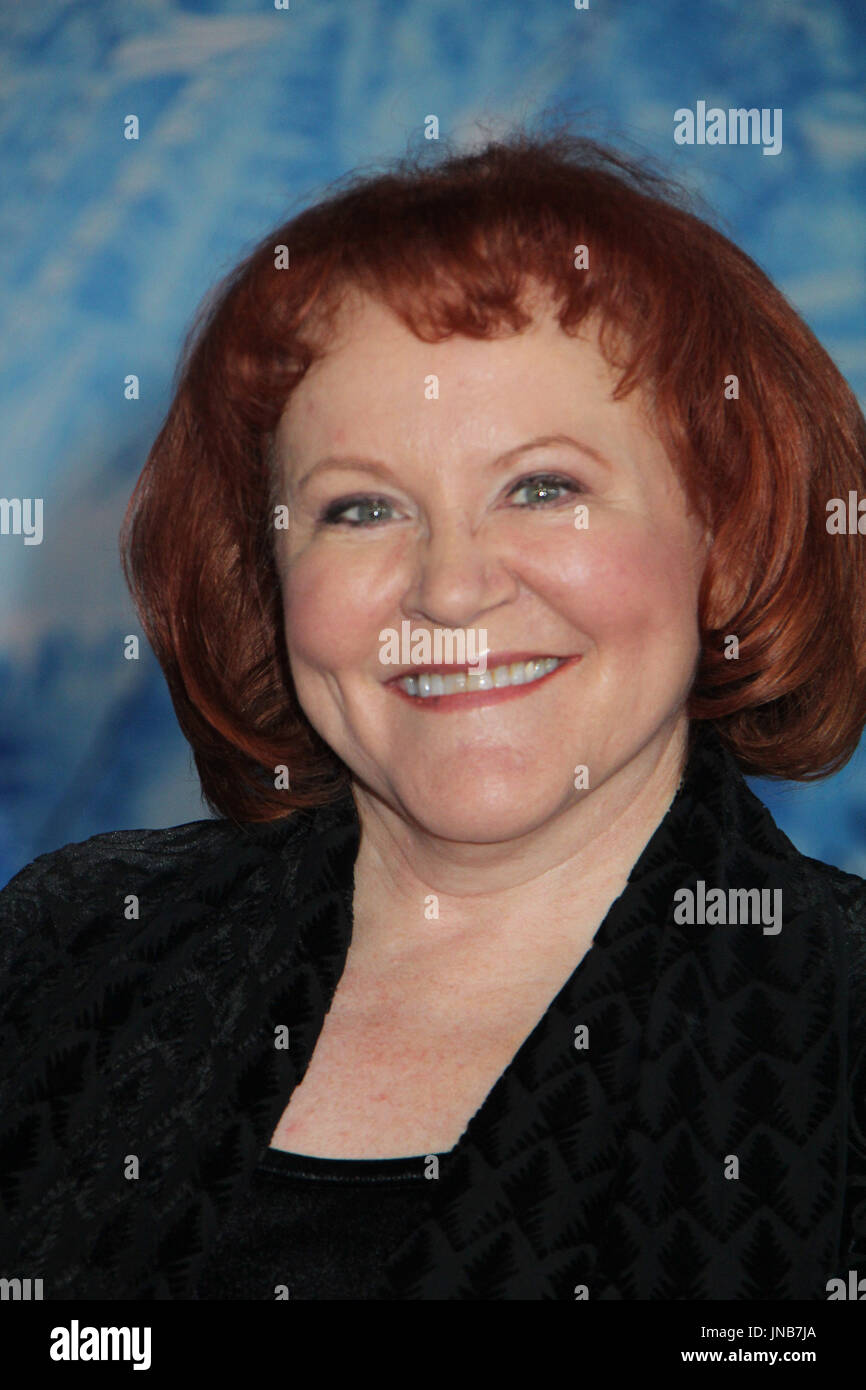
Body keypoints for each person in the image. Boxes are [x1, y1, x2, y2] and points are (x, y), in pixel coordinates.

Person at [1, 127, 865, 1302]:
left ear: (723, 536)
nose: (450, 588)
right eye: (359, 509)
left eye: (543, 487)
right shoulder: (62, 953)